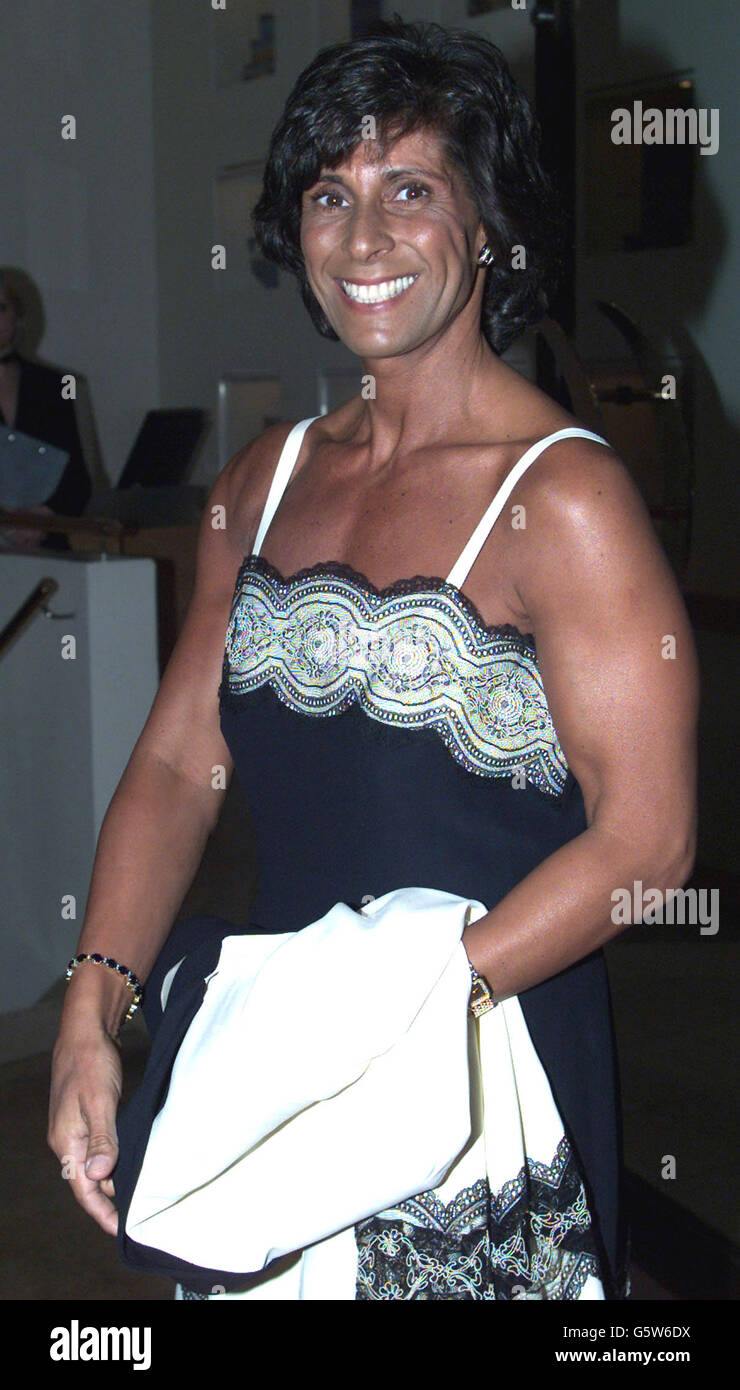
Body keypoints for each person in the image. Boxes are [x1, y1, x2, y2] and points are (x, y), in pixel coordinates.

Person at [48, 18, 698, 1300]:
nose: (361, 239)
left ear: (486, 223)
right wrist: (92, 1007)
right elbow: (183, 760)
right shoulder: (265, 478)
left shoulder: (561, 498)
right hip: (277, 1058)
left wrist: (412, 1006)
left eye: (409, 190)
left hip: (476, 1076)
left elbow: (650, 846)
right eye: (328, 196)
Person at [0, 267, 91, 550]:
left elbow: (77, 478)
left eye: (0, 307)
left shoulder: (52, 385)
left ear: (18, 316)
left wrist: (42, 517)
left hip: (47, 545)